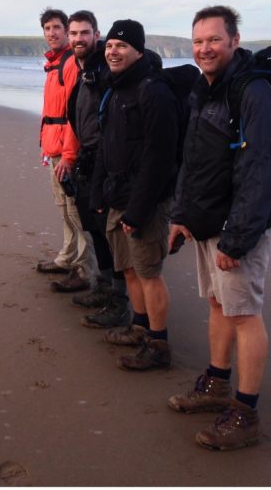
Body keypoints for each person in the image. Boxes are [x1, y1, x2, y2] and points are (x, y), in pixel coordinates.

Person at [167, 5, 271, 450]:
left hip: (238, 229)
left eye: (213, 39)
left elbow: (259, 171)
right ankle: (216, 386)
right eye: (198, 41)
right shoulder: (205, 89)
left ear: (234, 40)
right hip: (206, 222)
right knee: (218, 306)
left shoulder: (254, 93)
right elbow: (192, 161)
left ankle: (246, 412)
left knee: (244, 315)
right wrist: (181, 216)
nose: (204, 48)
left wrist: (238, 238)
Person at [90, 19, 181, 371]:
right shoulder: (114, 88)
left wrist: (138, 210)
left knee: (148, 273)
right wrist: (98, 193)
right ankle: (139, 329)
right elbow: (105, 146)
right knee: (128, 270)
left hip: (145, 203)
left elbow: (161, 157)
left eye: (122, 46)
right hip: (117, 196)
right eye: (110, 45)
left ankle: (159, 345)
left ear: (138, 51)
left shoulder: (153, 91)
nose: (113, 51)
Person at [62, 10, 129, 325]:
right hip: (88, 161)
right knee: (95, 231)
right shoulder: (85, 70)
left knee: (108, 234)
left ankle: (120, 301)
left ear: (96, 34)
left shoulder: (104, 70)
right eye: (73, 34)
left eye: (84, 33)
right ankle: (104, 288)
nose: (78, 39)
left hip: (105, 163)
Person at [35, 8, 97, 292]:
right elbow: (51, 111)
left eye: (58, 27)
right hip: (55, 146)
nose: (52, 33)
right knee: (64, 209)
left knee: (74, 211)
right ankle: (67, 257)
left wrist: (69, 155)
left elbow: (74, 113)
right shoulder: (53, 64)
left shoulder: (71, 63)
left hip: (67, 149)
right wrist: (45, 146)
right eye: (47, 28)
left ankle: (84, 270)